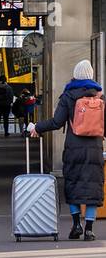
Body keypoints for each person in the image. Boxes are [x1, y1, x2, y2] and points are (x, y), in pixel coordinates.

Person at [30, 60, 104, 240]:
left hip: (73, 147)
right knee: (93, 186)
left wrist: (37, 127)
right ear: (91, 75)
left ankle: (76, 224)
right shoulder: (99, 97)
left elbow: (57, 122)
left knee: (72, 183)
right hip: (94, 148)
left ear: (76, 75)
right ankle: (89, 228)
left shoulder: (68, 96)